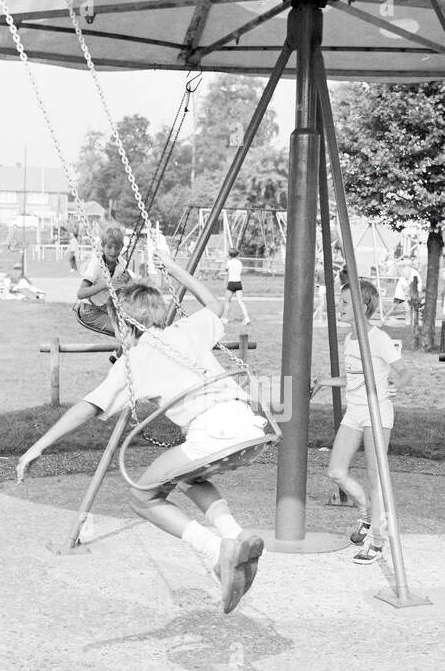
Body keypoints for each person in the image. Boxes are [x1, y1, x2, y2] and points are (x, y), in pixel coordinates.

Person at [17, 249, 267, 614]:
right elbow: (214, 303)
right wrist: (175, 269)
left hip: (215, 434)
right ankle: (234, 535)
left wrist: (37, 447)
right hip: (251, 428)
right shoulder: (187, 329)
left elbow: (87, 408)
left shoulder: (133, 362)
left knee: (142, 497)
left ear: (125, 324)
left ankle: (216, 551)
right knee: (189, 477)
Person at [326, 281, 412, 564]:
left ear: (363, 307)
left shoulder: (378, 339)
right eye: (340, 302)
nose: (340, 307)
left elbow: (404, 372)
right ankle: (365, 516)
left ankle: (376, 542)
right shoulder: (350, 339)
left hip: (377, 415)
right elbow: (355, 379)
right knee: (337, 471)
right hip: (354, 412)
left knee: (377, 480)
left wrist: (395, 385)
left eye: (346, 303)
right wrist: (324, 381)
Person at [75, 224, 134, 337]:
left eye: (117, 248)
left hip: (108, 309)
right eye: (109, 247)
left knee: (136, 328)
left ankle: (127, 352)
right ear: (102, 246)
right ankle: (120, 354)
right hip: (90, 311)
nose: (113, 251)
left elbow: (131, 287)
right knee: (125, 332)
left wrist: (128, 283)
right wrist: (105, 285)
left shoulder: (122, 264)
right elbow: (81, 294)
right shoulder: (96, 264)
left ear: (121, 247)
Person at [221, 248, 250, 325]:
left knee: (227, 301)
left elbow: (226, 271)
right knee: (240, 301)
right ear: (237, 254)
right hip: (238, 283)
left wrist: (225, 261)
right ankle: (246, 318)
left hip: (231, 283)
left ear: (229, 254)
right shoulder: (240, 263)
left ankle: (224, 318)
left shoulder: (229, 262)